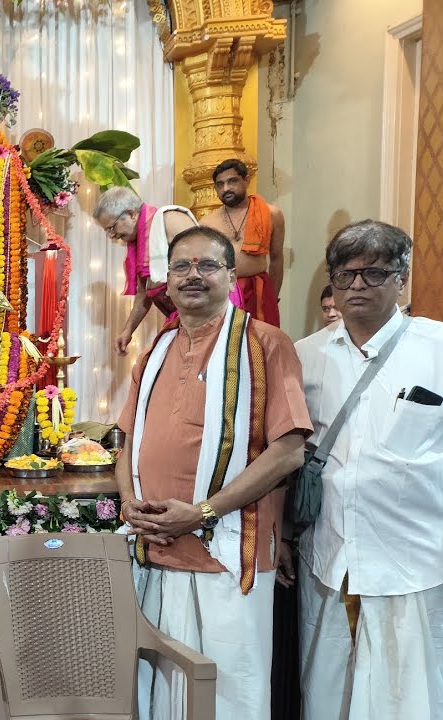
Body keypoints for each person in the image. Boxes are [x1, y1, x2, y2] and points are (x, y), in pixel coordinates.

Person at [116, 226, 311, 720]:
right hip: (156, 551)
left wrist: (202, 512)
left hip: (227, 552)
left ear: (231, 275)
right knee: (161, 689)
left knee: (227, 692)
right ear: (167, 278)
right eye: (181, 267)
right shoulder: (154, 350)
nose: (192, 277)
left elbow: (288, 452)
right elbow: (126, 441)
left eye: (207, 266)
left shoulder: (267, 344)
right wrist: (127, 501)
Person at [294, 220, 443, 720]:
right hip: (329, 561)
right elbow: (287, 456)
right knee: (327, 697)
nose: (357, 286)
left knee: (413, 700)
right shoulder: (306, 356)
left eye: (374, 273)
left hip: (416, 563)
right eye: (345, 274)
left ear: (402, 278)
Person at [95, 186, 201, 356]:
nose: (112, 236)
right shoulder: (136, 244)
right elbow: (144, 292)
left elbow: (203, 265)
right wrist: (127, 330)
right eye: (107, 231)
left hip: (205, 316)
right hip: (184, 319)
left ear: (131, 213)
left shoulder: (169, 219)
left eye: (112, 227)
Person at [200, 159, 285, 326]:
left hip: (259, 291)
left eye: (232, 181)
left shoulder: (271, 214)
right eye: (220, 184)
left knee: (263, 344)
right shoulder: (207, 223)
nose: (226, 188)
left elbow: (276, 259)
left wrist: (272, 297)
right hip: (224, 292)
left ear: (246, 180)